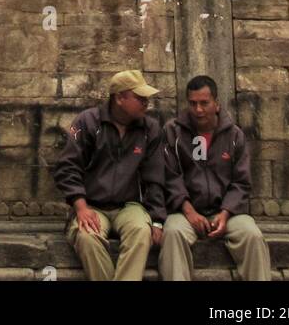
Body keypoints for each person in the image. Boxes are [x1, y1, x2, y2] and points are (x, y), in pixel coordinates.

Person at [53, 69, 165, 281]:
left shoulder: (150, 128)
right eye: (139, 98)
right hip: (92, 205)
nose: (146, 103)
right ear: (120, 98)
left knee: (142, 233)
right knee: (87, 237)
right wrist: (81, 207)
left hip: (130, 206)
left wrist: (157, 220)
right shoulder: (88, 122)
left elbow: (155, 177)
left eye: (146, 98)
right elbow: (67, 168)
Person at [160, 74, 271, 282]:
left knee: (253, 236)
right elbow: (170, 177)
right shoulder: (173, 132)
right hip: (185, 212)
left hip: (227, 213)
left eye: (204, 103)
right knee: (173, 234)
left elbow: (241, 182)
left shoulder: (234, 135)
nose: (198, 109)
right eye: (193, 103)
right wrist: (189, 211)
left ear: (217, 104)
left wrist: (226, 213)